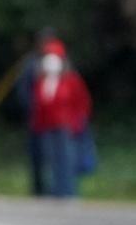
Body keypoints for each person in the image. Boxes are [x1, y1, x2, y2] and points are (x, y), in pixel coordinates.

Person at [29, 37, 93, 199]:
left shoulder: (71, 80)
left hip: (66, 126)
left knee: (67, 159)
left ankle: (68, 191)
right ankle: (56, 190)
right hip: (47, 127)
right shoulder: (41, 81)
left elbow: (82, 103)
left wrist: (78, 122)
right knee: (51, 160)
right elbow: (39, 106)